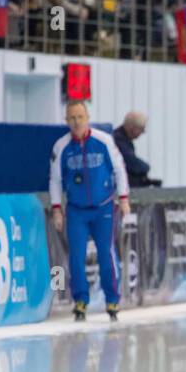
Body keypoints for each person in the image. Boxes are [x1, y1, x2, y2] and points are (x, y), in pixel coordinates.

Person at [49, 101, 132, 322]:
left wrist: (123, 199)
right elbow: (55, 180)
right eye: (72, 118)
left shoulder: (104, 141)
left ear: (88, 118)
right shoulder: (61, 146)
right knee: (76, 256)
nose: (76, 122)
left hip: (104, 207)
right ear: (66, 121)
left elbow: (120, 170)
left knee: (106, 253)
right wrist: (57, 209)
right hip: (76, 211)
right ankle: (80, 300)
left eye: (80, 117)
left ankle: (112, 299)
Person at [112, 111, 161, 186]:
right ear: (133, 128)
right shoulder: (119, 140)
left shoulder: (122, 139)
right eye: (141, 129)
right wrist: (146, 167)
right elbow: (132, 163)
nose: (142, 133)